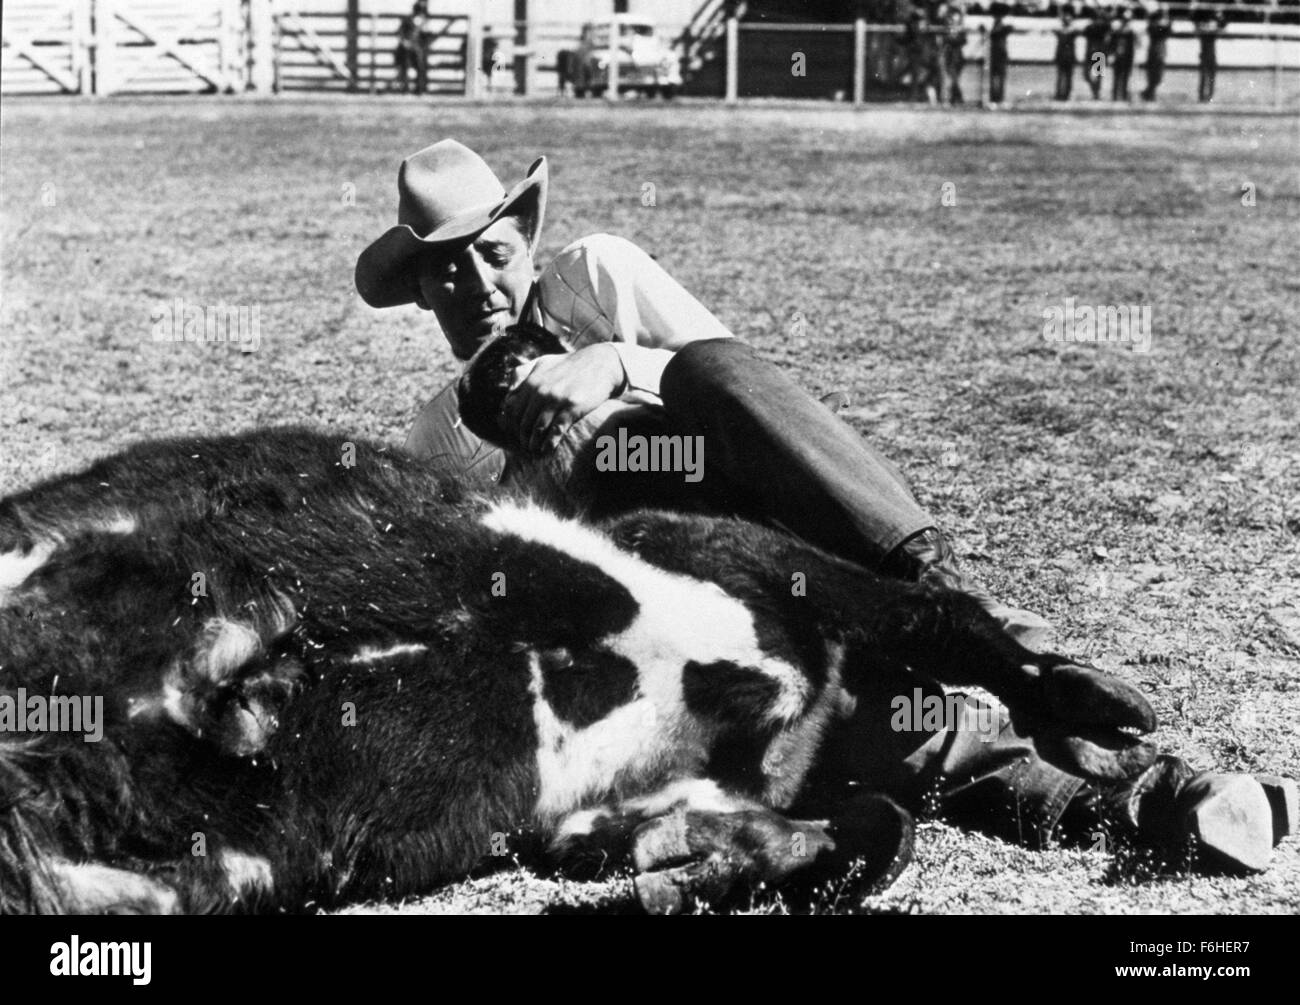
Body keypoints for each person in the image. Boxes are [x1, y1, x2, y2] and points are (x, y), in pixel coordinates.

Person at [353, 139, 1296, 873]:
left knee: (696, 384)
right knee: (862, 715)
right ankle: (1161, 799)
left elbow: (746, 394)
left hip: (775, 526)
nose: (474, 284)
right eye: (445, 271)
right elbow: (490, 606)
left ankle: (976, 614)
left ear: (526, 239)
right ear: (418, 295)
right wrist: (546, 477)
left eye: (492, 253)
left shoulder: (595, 275)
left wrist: (618, 363)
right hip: (672, 618)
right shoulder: (438, 435)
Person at [1141, 6, 1172, 101]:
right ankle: (1150, 93)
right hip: (1154, 52)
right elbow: (1159, 28)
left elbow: (1168, 29)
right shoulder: (1153, 27)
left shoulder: (1160, 27)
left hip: (1160, 52)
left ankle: (1149, 92)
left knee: (1158, 76)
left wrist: (1166, 14)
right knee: (1153, 74)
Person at [1197, 10, 1227, 103]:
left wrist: (1220, 17)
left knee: (1210, 76)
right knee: (1204, 76)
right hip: (1206, 55)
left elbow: (1222, 28)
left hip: (1211, 55)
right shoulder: (1204, 31)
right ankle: (1203, 96)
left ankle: (1208, 96)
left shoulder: (1211, 33)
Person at [986, 5, 1014, 106]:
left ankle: (999, 99)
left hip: (1000, 53)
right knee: (995, 77)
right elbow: (994, 34)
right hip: (995, 53)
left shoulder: (1000, 25)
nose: (999, 17)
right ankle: (995, 99)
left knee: (1000, 77)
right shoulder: (997, 25)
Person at [1108, 5, 1136, 101]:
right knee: (1116, 77)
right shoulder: (1116, 31)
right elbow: (1111, 44)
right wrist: (1111, 54)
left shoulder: (1130, 32)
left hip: (1126, 57)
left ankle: (1123, 96)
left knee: (1125, 77)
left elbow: (1132, 48)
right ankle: (1115, 96)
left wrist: (1132, 59)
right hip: (1117, 56)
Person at [1082, 7, 1110, 100]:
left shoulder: (1104, 27)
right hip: (1091, 52)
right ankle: (1095, 90)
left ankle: (1096, 93)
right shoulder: (1090, 27)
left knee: (1098, 75)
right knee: (1086, 75)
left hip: (1099, 52)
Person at [942, 5, 968, 105]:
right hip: (949, 55)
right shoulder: (946, 29)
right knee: (954, 78)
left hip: (958, 55)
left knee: (955, 78)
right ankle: (957, 98)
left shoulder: (961, 29)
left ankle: (956, 98)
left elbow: (964, 40)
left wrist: (953, 40)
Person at [392, 13, 421, 94]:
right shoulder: (408, 23)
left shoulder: (417, 25)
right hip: (405, 49)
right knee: (405, 66)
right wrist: (405, 42)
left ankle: (417, 88)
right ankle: (406, 88)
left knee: (417, 66)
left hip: (412, 49)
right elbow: (399, 34)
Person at [1053, 10, 1078, 102]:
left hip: (1064, 56)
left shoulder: (1061, 32)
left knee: (1062, 76)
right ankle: (1064, 94)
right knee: (1066, 77)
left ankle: (1061, 94)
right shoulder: (1071, 32)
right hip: (1067, 56)